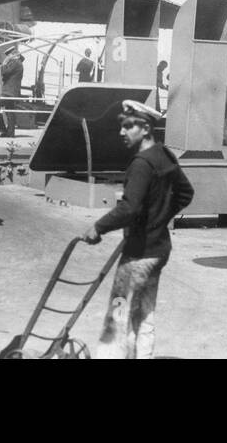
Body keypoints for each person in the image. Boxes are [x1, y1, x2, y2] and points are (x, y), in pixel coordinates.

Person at [82, 100, 193, 359]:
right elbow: (186, 192)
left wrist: (97, 228)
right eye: (122, 127)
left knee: (117, 314)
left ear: (145, 129)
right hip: (158, 251)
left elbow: (129, 208)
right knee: (145, 311)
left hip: (138, 254)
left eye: (128, 126)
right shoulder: (164, 155)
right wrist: (159, 217)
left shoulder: (141, 164)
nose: (122, 132)